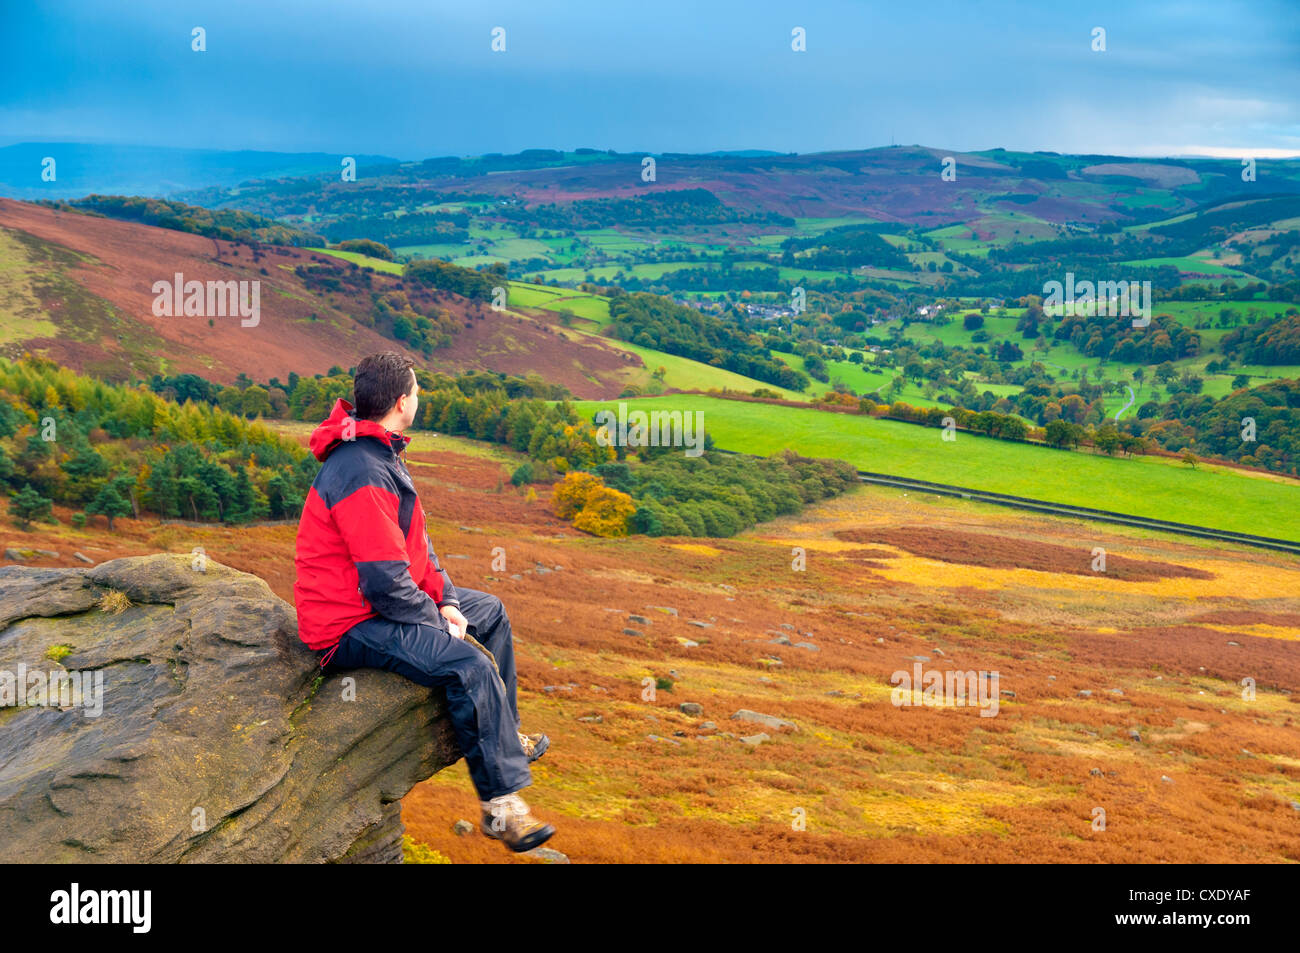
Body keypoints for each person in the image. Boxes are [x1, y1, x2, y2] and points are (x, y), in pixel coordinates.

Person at [293, 351, 555, 853]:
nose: (419, 398)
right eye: (416, 391)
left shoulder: (380, 451)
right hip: (348, 623)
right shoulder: (361, 468)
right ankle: (502, 808)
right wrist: (437, 622)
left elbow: (415, 548)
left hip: (378, 602)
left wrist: (450, 602)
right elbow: (385, 582)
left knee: (490, 613)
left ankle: (507, 736)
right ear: (400, 401)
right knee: (467, 665)